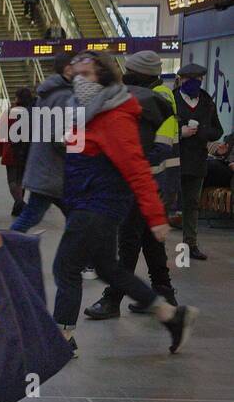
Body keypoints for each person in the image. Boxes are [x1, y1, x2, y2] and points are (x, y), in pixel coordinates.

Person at [51, 50, 196, 354]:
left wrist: (156, 216)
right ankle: (171, 315)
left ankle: (61, 339)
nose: (80, 80)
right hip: (89, 200)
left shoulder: (114, 116)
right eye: (77, 75)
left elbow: (136, 166)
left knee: (66, 266)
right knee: (108, 268)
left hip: (99, 203)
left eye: (87, 74)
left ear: (104, 77)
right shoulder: (90, 110)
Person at [85, 50, 178, 318]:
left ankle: (112, 299)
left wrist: (127, 161)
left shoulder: (156, 98)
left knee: (127, 240)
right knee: (150, 239)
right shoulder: (148, 95)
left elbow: (159, 146)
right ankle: (164, 293)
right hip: (153, 179)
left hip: (145, 180)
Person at [12, 51, 76, 232]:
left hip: (46, 168)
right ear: (69, 69)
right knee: (33, 216)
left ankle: (6, 248)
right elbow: (59, 136)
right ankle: (5, 249)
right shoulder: (64, 96)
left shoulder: (48, 92)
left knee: (33, 215)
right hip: (53, 171)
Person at [172, 62, 223, 260]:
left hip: (197, 160)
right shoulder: (172, 99)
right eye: (189, 80)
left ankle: (190, 244)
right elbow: (158, 127)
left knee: (192, 203)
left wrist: (202, 131)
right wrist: (180, 132)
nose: (193, 83)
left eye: (197, 80)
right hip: (173, 159)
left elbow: (217, 130)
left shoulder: (206, 101)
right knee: (166, 201)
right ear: (181, 80)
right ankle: (153, 243)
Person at [0, 85, 34, 217]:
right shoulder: (32, 112)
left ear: (17, 98)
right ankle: (18, 206)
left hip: (12, 148)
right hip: (27, 150)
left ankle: (20, 203)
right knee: (21, 179)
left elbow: (0, 130)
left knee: (12, 180)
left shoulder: (10, 112)